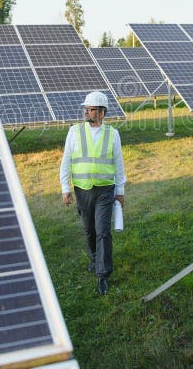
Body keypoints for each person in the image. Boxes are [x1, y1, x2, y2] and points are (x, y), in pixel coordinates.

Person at [60, 91, 126, 295]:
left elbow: (118, 163)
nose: (87, 112)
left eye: (91, 109)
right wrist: (65, 188)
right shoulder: (74, 132)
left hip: (105, 189)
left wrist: (120, 190)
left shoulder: (113, 134)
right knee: (89, 230)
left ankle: (103, 275)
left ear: (102, 113)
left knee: (103, 231)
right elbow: (66, 161)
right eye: (86, 109)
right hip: (82, 190)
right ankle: (94, 258)